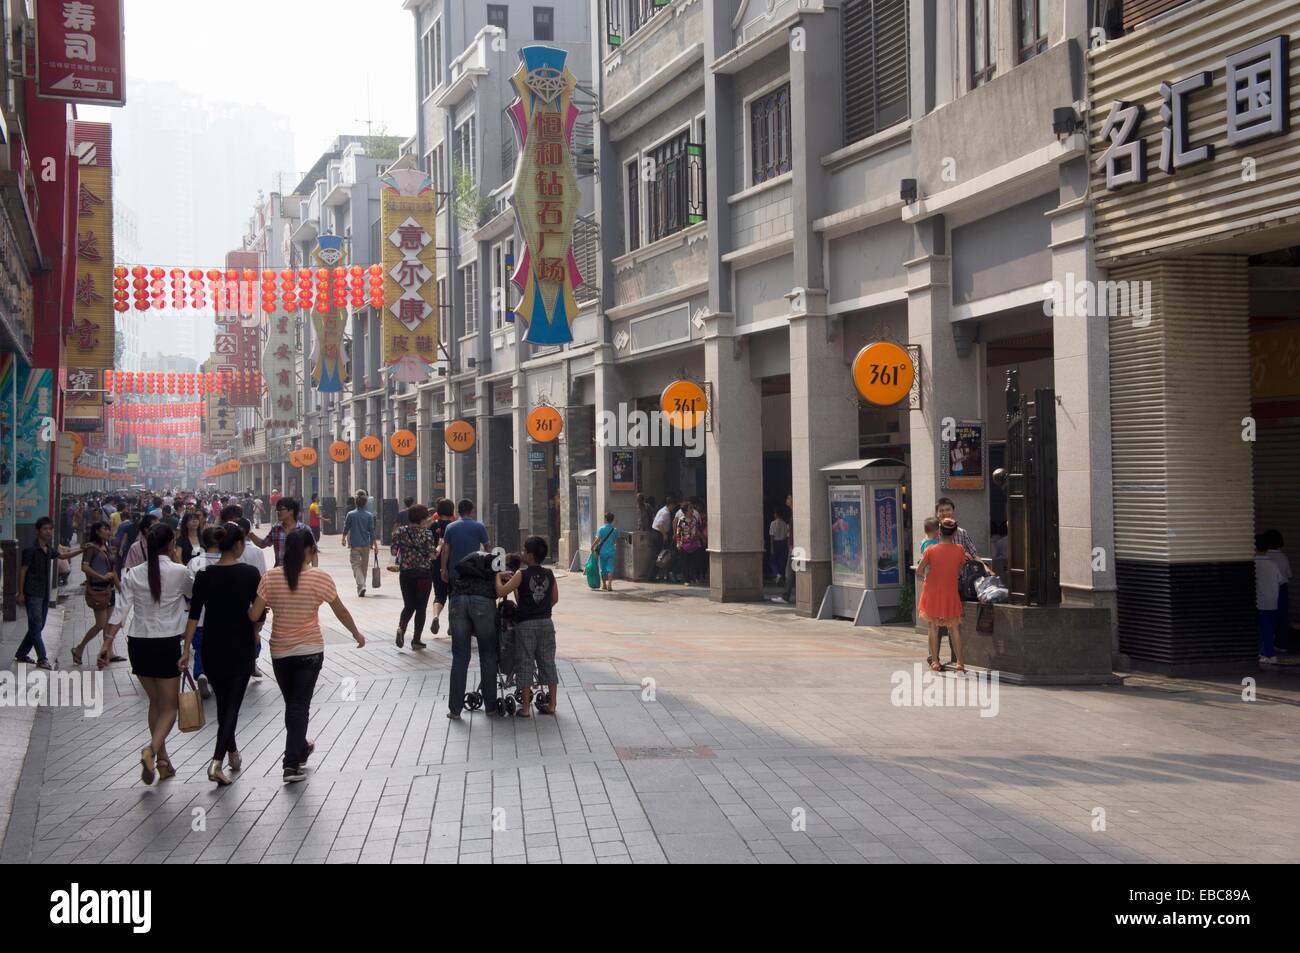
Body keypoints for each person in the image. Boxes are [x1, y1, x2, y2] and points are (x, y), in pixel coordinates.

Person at [249, 529, 365, 783]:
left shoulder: (271, 578)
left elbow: (253, 614)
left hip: (280, 651)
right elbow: (341, 611)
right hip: (310, 651)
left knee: (294, 705)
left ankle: (300, 749)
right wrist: (356, 633)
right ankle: (291, 764)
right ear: (310, 550)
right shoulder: (319, 577)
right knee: (298, 706)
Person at [184, 523, 262, 786]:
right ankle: (216, 762)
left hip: (212, 645)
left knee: (223, 704)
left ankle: (233, 752)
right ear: (238, 545)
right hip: (240, 646)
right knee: (233, 705)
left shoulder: (205, 576)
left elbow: (193, 617)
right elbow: (258, 612)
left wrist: (186, 651)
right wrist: (257, 630)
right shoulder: (250, 574)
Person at [122, 524, 194, 785]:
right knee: (170, 707)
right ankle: (151, 750)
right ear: (171, 544)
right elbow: (192, 594)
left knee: (155, 703)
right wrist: (178, 561)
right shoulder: (179, 571)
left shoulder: (133, 573)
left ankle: (163, 761)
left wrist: (107, 642)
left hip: (138, 643)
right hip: (165, 643)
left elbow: (121, 608)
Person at [495, 535, 559, 717]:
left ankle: (524, 708)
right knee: (547, 661)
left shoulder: (521, 574)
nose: (522, 553)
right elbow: (555, 598)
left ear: (530, 556)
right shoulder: (549, 574)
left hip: (526, 625)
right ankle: (552, 703)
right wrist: (541, 608)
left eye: (524, 550)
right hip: (547, 623)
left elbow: (501, 591)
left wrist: (498, 577)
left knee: (525, 662)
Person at [15, 517, 80, 669]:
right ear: (37, 531)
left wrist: (82, 550)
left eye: (50, 529)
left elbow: (62, 556)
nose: (48, 532)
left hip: (44, 593)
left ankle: (21, 653)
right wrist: (20, 593)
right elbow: (23, 571)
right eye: (45, 529)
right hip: (32, 593)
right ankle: (42, 658)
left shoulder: (48, 549)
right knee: (36, 626)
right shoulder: (30, 550)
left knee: (38, 626)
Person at [916, 519, 968, 673]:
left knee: (932, 627)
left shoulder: (930, 550)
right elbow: (959, 568)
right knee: (954, 628)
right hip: (950, 591)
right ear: (954, 532)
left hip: (932, 591)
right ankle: (960, 662)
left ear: (939, 530)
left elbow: (919, 570)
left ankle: (935, 662)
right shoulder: (959, 550)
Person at [71, 521, 117, 667]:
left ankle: (106, 654)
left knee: (108, 624)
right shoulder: (91, 547)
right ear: (97, 531)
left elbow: (112, 570)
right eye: (105, 529)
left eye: (109, 529)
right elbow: (84, 567)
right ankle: (80, 648)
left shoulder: (107, 547)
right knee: (100, 624)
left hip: (109, 589)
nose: (108, 531)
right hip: (98, 590)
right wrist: (101, 576)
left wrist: (120, 587)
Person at [391, 504, 436, 649]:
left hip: (406, 574)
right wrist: (440, 546)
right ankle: (416, 640)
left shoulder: (400, 531)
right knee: (421, 607)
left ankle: (401, 629)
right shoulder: (427, 533)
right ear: (423, 518)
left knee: (409, 605)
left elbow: (393, 552)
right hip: (423, 574)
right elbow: (432, 555)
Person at [186, 525, 224, 698]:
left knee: (200, 648)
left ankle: (201, 673)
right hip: (222, 617)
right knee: (219, 648)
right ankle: (217, 678)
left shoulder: (195, 562)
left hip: (198, 617)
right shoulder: (227, 561)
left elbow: (188, 591)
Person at [249, 497, 310, 568]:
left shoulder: (304, 529)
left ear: (291, 511)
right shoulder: (276, 529)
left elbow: (313, 553)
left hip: (299, 572)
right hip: (279, 573)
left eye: (281, 509)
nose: (278, 512)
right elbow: (263, 544)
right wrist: (250, 535)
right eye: (277, 510)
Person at [341, 491, 378, 596]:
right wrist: (375, 545)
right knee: (364, 566)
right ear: (365, 503)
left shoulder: (351, 514)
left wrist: (343, 538)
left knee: (356, 565)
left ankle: (361, 585)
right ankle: (361, 586)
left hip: (355, 544)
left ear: (355, 503)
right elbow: (372, 531)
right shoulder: (369, 515)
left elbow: (346, 527)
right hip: (366, 544)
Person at [428, 498, 456, 636]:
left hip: (436, 563)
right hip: (452, 564)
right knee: (453, 594)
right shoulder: (454, 526)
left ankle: (435, 616)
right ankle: (451, 625)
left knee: (439, 595)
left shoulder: (432, 526)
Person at [1263, 530, 1292, 652]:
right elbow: (1289, 574)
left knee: (1267, 616)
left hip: (1267, 589)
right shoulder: (1283, 557)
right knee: (1283, 616)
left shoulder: (1264, 557)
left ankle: (1268, 644)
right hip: (1282, 589)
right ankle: (1282, 643)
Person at [1256, 534, 1283, 665]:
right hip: (1272, 601)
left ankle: (1268, 654)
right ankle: (1267, 652)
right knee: (1269, 629)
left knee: (1262, 629)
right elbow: (1281, 580)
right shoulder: (1273, 564)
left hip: (1259, 602)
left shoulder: (1254, 564)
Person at [651, 495, 677, 583]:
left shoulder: (662, 510)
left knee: (658, 555)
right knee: (659, 556)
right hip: (658, 534)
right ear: (671, 505)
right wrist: (664, 534)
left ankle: (655, 575)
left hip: (656, 533)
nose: (673, 508)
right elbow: (659, 524)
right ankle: (652, 576)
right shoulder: (665, 513)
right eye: (673, 506)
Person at [592, 512, 619, 591]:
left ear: (606, 519)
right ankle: (610, 584)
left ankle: (604, 584)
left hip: (602, 552)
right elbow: (616, 542)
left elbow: (597, 540)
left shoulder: (601, 529)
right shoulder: (615, 530)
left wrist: (592, 546)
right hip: (611, 552)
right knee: (610, 568)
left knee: (603, 569)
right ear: (612, 520)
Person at [768, 508, 789, 583]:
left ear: (776, 514)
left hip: (776, 542)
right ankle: (781, 574)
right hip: (782, 543)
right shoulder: (785, 524)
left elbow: (771, 535)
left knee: (773, 560)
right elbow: (787, 536)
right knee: (781, 560)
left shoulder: (773, 523)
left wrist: (771, 547)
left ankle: (776, 573)